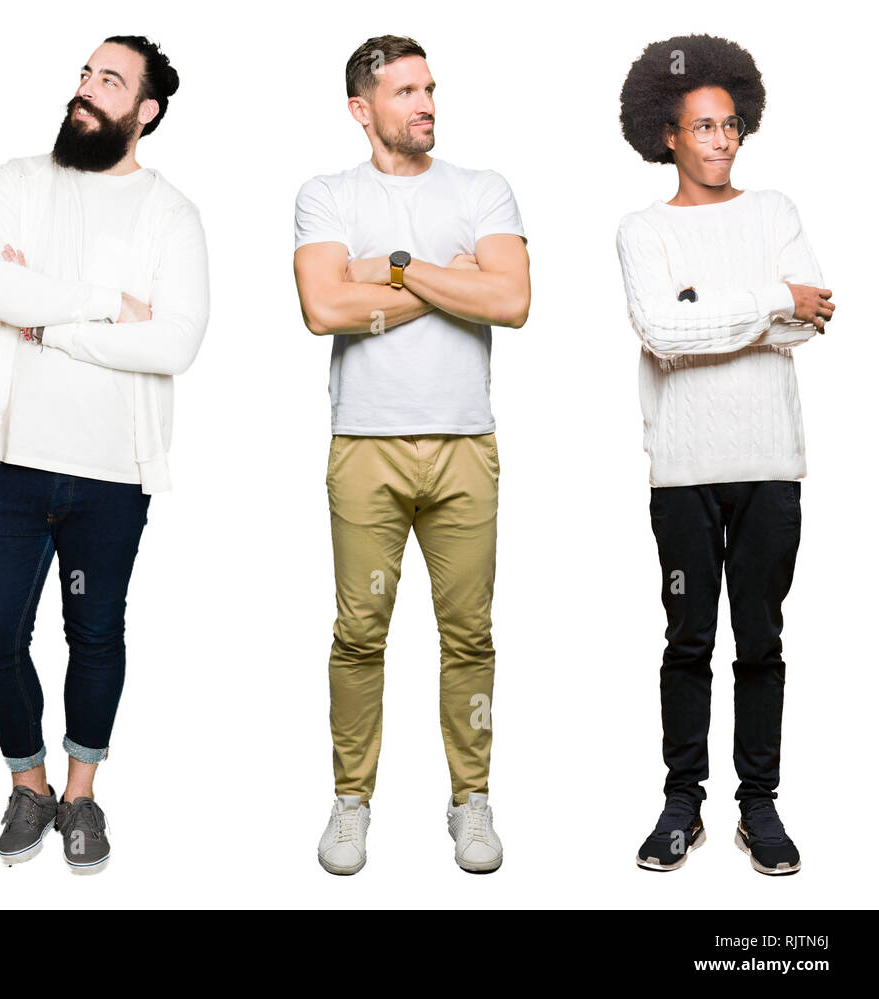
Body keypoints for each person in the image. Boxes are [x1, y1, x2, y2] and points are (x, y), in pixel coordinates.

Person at [0, 36, 209, 874]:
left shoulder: (171, 213)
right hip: (12, 460)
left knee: (94, 632)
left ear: (146, 111)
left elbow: (174, 341)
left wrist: (46, 325)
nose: (86, 90)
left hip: (112, 471)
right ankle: (27, 782)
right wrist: (108, 308)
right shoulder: (19, 182)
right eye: (84, 74)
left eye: (109, 81)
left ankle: (81, 794)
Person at [293, 35, 530, 876]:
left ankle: (472, 798)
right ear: (363, 109)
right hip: (365, 446)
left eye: (429, 89)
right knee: (360, 633)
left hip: (465, 445)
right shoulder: (326, 195)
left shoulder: (482, 189)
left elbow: (510, 299)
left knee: (469, 634)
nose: (425, 104)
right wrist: (442, 281)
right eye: (404, 93)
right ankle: (351, 800)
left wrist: (389, 271)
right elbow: (323, 308)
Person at [617, 33, 832, 876]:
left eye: (731, 124)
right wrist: (770, 300)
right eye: (703, 126)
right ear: (666, 135)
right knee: (687, 641)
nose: (721, 139)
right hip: (682, 471)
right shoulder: (640, 229)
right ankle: (682, 802)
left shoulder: (774, 211)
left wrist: (715, 311)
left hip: (771, 463)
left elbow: (812, 321)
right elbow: (661, 332)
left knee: (763, 641)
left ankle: (760, 805)